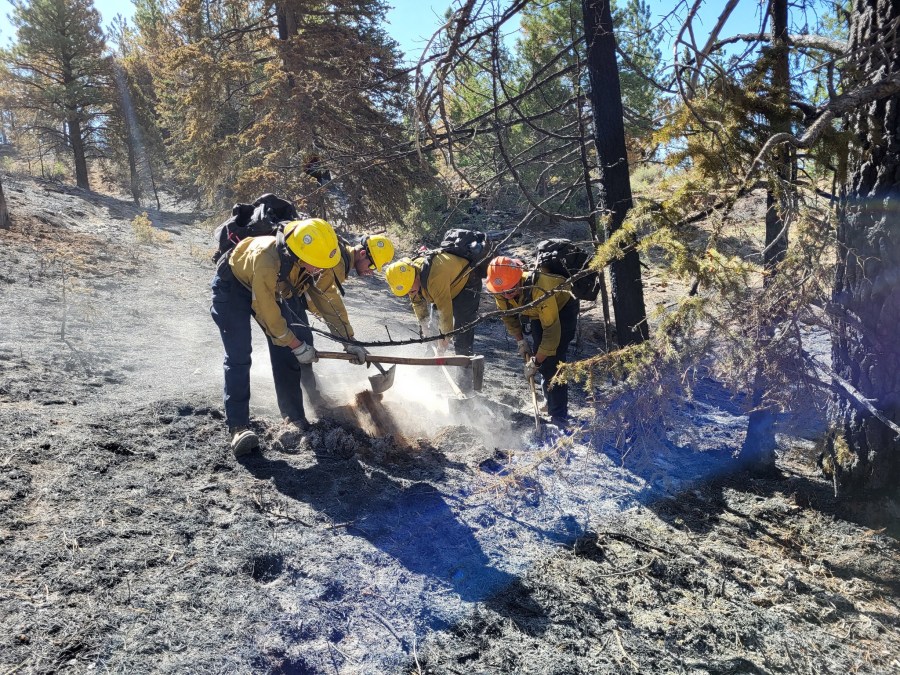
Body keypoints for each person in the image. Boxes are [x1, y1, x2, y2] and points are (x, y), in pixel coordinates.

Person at [210, 218, 361, 457]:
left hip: (278, 288)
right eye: (316, 266)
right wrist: (296, 344)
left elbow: (327, 301)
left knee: (288, 354)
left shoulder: (312, 260)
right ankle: (238, 427)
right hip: (234, 288)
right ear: (299, 256)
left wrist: (349, 341)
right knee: (239, 355)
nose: (319, 270)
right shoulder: (267, 260)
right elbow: (268, 312)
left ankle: (294, 418)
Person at [300, 234, 395, 406]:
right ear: (363, 254)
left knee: (303, 344)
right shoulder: (337, 262)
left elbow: (322, 299)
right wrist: (348, 341)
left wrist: (348, 339)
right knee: (301, 344)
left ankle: (313, 397)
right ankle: (312, 403)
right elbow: (325, 299)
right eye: (372, 265)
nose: (371, 271)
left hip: (289, 295)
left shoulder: (341, 259)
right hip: (286, 296)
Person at [485, 255, 579, 428]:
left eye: (511, 290)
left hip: (561, 306)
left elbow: (551, 332)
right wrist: (521, 342)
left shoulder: (539, 287)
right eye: (502, 292)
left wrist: (535, 362)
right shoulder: (501, 288)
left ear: (519, 280)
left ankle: (559, 415)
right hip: (535, 312)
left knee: (554, 360)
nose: (507, 295)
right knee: (541, 354)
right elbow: (508, 316)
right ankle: (549, 400)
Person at [384, 248, 482, 361]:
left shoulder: (434, 278)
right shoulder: (408, 276)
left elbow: (445, 313)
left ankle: (464, 371)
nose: (409, 293)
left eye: (410, 289)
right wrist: (424, 326)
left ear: (415, 277)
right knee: (433, 328)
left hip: (467, 281)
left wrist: (443, 343)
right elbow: (417, 302)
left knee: (462, 330)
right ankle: (430, 365)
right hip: (443, 285)